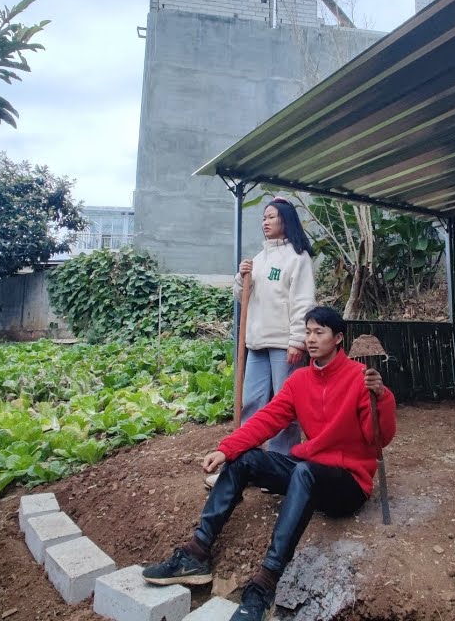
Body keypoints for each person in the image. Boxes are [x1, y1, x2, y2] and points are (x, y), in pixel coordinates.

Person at [144, 306, 396, 621]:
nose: (311, 339)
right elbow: (266, 419)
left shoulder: (360, 379)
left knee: (304, 472)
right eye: (308, 332)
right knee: (246, 458)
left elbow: (379, 440)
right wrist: (227, 449)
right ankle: (196, 553)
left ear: (338, 338)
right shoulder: (300, 380)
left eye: (319, 332)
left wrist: (382, 397)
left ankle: (265, 584)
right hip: (310, 472)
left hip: (347, 483)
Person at [208, 197, 315, 489]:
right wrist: (243, 279)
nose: (265, 222)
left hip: (285, 345)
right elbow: (242, 298)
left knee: (284, 407)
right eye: (263, 218)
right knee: (251, 404)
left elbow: (303, 303)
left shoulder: (298, 257)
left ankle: (281, 470)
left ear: (286, 221)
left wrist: (298, 340)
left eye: (271, 217)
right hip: (255, 344)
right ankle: (243, 466)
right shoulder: (258, 258)